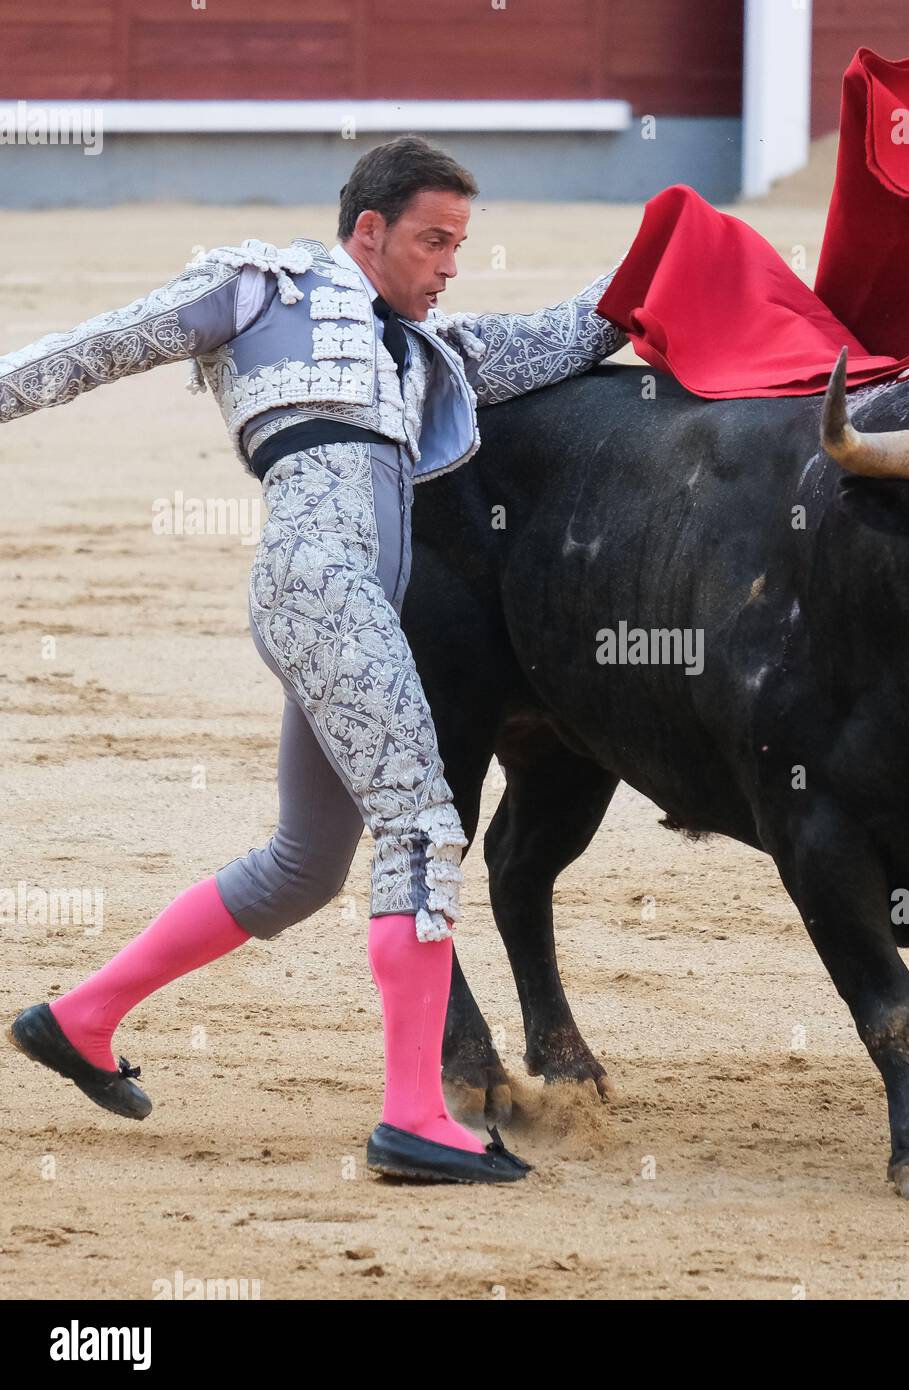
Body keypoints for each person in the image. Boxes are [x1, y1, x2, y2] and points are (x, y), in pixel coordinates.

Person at [2, 135, 629, 1184]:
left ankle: (82, 1017)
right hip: (319, 586)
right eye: (433, 240)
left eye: (460, 244)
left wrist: (673, 249)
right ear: (369, 229)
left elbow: (567, 333)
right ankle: (414, 1116)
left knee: (303, 867)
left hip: (357, 605)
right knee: (425, 827)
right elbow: (91, 348)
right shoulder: (261, 286)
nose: (448, 264)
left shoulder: (432, 350)